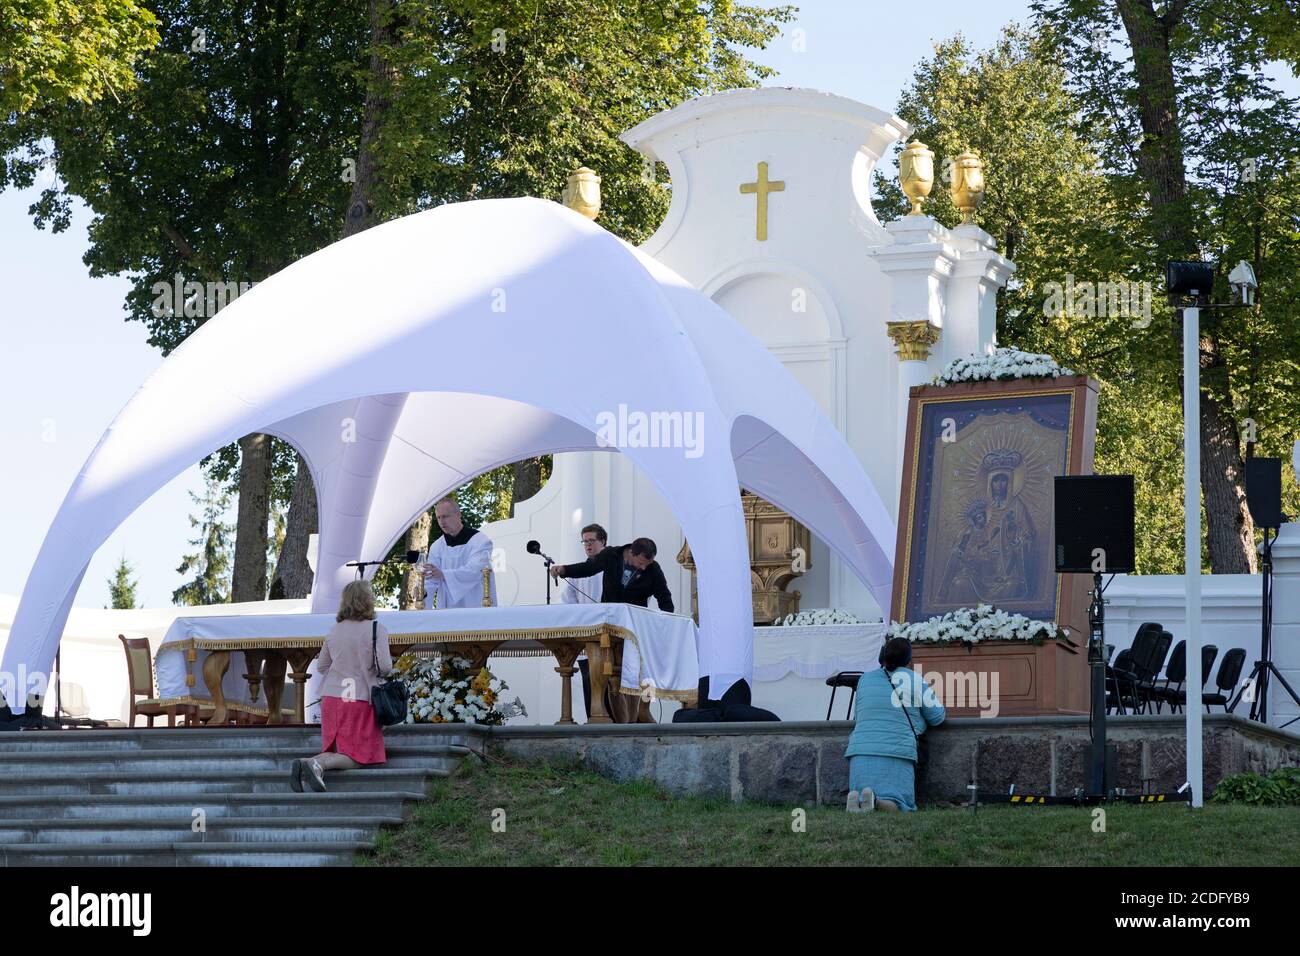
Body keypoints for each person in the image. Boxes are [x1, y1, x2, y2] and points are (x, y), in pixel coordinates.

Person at [292, 580, 392, 793]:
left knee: (339, 749)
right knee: (359, 756)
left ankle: (306, 763)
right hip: (357, 698)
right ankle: (319, 764)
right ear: (367, 601)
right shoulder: (376, 628)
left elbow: (322, 666)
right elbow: (385, 667)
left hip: (331, 696)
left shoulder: (334, 631)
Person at [844, 636, 944, 812]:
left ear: (882, 656)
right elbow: (937, 717)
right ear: (908, 659)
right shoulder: (914, 679)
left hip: (860, 752)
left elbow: (858, 716)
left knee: (861, 793)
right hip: (897, 752)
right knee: (898, 803)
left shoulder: (865, 680)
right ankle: (877, 803)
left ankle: (857, 799)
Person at [549, 537, 673, 612]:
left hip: (635, 622)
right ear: (631, 553)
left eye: (648, 563)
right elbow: (587, 568)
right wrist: (564, 570)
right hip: (608, 617)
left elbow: (664, 597)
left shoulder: (653, 568)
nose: (644, 567)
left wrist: (668, 621)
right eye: (641, 563)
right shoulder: (611, 554)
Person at [562, 523, 607, 718]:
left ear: (603, 541)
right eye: (585, 541)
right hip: (585, 636)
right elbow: (566, 601)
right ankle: (593, 720)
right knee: (589, 681)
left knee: (610, 683)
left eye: (592, 541)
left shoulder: (613, 567)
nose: (588, 545)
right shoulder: (577, 572)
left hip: (609, 636)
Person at [421, 497, 496, 608]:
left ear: (458, 515)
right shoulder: (437, 546)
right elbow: (432, 580)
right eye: (439, 517)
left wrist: (443, 574)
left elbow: (475, 570)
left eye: (445, 516)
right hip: (447, 609)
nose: (442, 522)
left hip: (475, 604)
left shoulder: (480, 541)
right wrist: (423, 591)